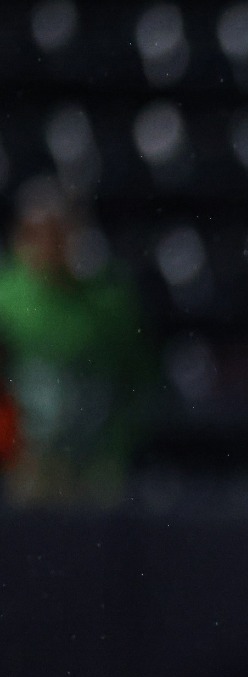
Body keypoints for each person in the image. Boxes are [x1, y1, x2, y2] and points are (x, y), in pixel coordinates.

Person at [0, 179, 153, 505]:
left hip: (97, 465)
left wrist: (116, 448)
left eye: (61, 232)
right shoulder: (6, 297)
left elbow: (137, 380)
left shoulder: (110, 302)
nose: (50, 243)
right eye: (40, 231)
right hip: (26, 464)